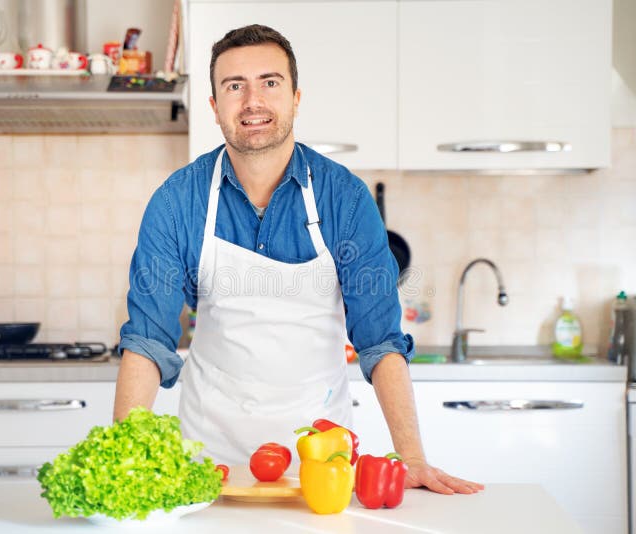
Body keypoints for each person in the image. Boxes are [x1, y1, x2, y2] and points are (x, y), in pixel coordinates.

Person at [114, 24, 482, 495]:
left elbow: (380, 340)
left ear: (295, 97)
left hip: (321, 462)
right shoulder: (177, 201)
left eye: (269, 82)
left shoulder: (345, 199)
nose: (253, 101)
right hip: (209, 463)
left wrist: (410, 457)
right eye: (234, 86)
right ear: (214, 106)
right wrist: (124, 459)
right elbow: (148, 341)